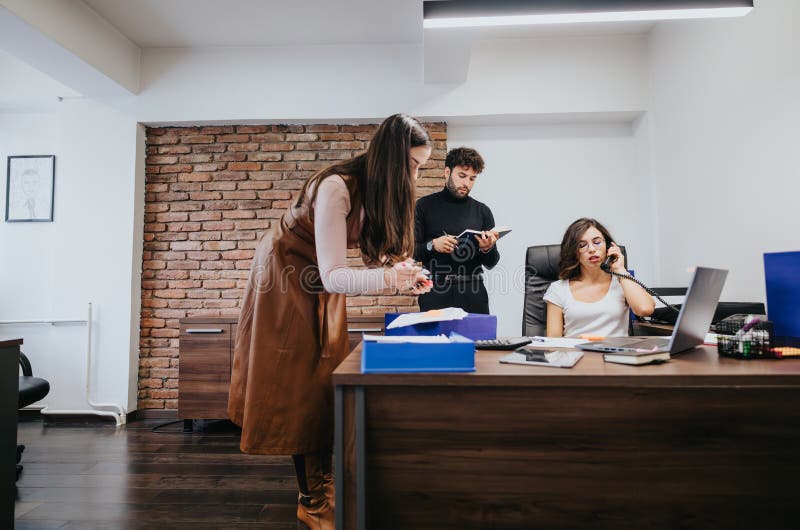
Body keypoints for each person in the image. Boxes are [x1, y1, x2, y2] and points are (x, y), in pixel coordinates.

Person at [228, 114, 433, 530]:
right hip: (286, 277)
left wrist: (403, 269)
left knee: (326, 378)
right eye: (413, 165)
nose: (415, 175)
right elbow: (335, 274)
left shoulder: (374, 191)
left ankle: (323, 483)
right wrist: (392, 279)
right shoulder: (336, 187)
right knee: (299, 385)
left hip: (318, 281)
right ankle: (312, 500)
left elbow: (370, 254)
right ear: (393, 161)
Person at [413, 147, 500, 314]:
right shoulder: (424, 206)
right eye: (462, 176)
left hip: (473, 292)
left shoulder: (482, 211)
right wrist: (432, 245)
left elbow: (492, 262)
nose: (466, 183)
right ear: (447, 172)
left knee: (478, 341)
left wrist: (486, 248)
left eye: (472, 178)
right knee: (434, 340)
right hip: (435, 291)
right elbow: (412, 252)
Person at [544, 218, 655, 338]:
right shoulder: (558, 289)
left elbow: (645, 309)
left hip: (616, 355)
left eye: (597, 242)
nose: (591, 249)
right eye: (582, 245)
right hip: (575, 355)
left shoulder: (622, 282)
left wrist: (620, 270)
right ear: (574, 252)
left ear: (607, 246)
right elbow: (553, 342)